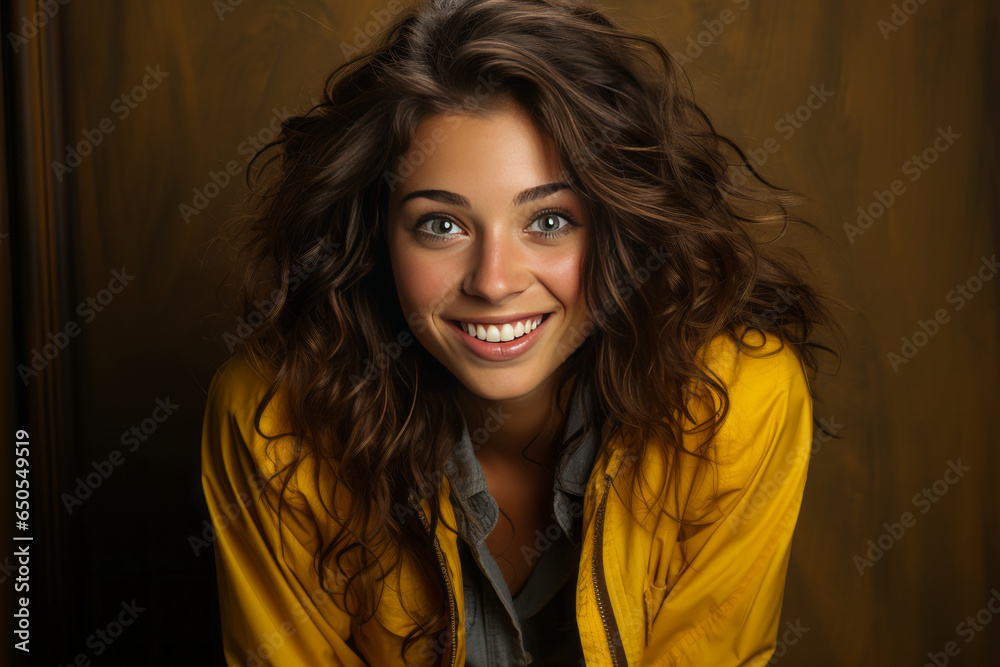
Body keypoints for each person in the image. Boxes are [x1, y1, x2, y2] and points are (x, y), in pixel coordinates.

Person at [200, 0, 843, 665]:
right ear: (374, 239)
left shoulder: (735, 399)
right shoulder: (273, 419)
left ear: (618, 227)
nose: (495, 280)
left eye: (549, 221)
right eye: (441, 225)